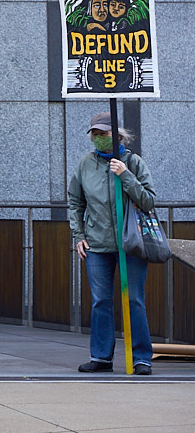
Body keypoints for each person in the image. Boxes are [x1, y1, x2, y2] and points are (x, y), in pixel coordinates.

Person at [69, 112, 157, 375]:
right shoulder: (86, 164)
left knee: (134, 300)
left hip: (131, 242)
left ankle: (141, 358)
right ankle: (101, 357)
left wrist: (126, 175)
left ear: (117, 136)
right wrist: (79, 235)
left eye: (103, 134)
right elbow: (75, 202)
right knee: (100, 301)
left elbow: (149, 201)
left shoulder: (133, 162)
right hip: (97, 244)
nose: (98, 139)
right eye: (95, 134)